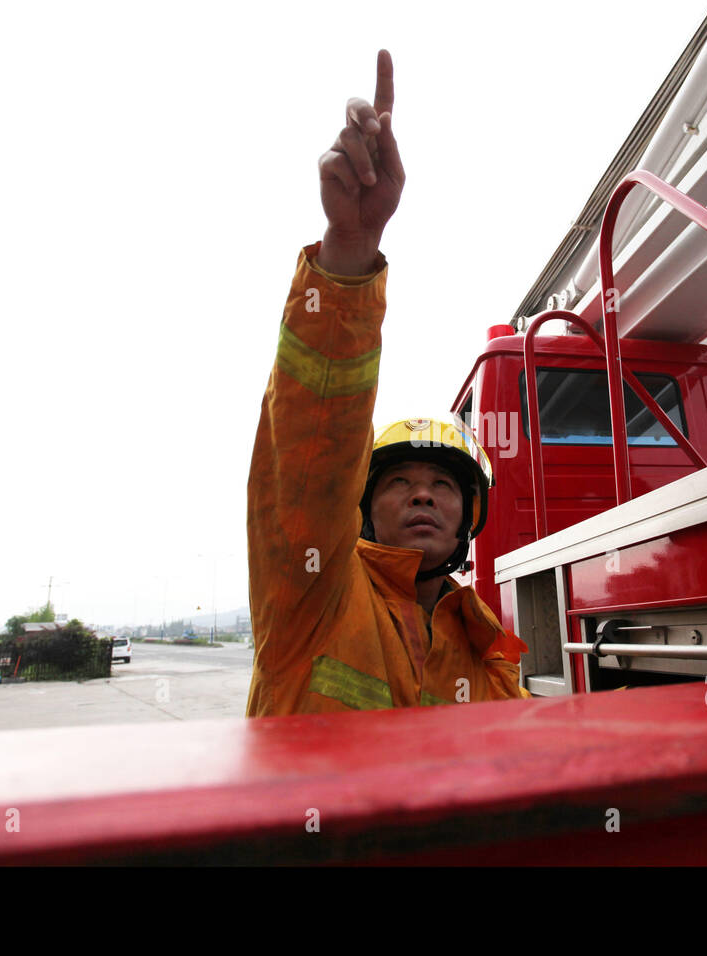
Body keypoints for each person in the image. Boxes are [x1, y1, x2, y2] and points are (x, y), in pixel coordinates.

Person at [246, 50, 529, 717]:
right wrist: (350, 248)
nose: (422, 496)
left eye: (442, 487)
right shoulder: (315, 594)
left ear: (470, 516)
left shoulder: (486, 649)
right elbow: (312, 448)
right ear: (364, 507)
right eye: (398, 482)